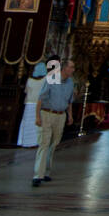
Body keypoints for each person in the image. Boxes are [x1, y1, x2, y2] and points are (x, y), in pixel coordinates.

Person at [32, 57, 75, 187]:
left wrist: (70, 116)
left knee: (54, 143)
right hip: (47, 113)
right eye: (71, 67)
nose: (73, 70)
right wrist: (37, 116)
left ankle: (46, 172)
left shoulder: (70, 82)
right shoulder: (52, 79)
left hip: (60, 115)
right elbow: (41, 98)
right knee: (44, 143)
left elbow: (69, 101)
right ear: (65, 68)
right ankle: (37, 175)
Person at [17, 62, 46, 148]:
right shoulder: (45, 80)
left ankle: (24, 141)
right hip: (39, 103)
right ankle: (35, 142)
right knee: (37, 123)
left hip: (29, 103)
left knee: (27, 122)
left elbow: (26, 91)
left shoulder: (30, 80)